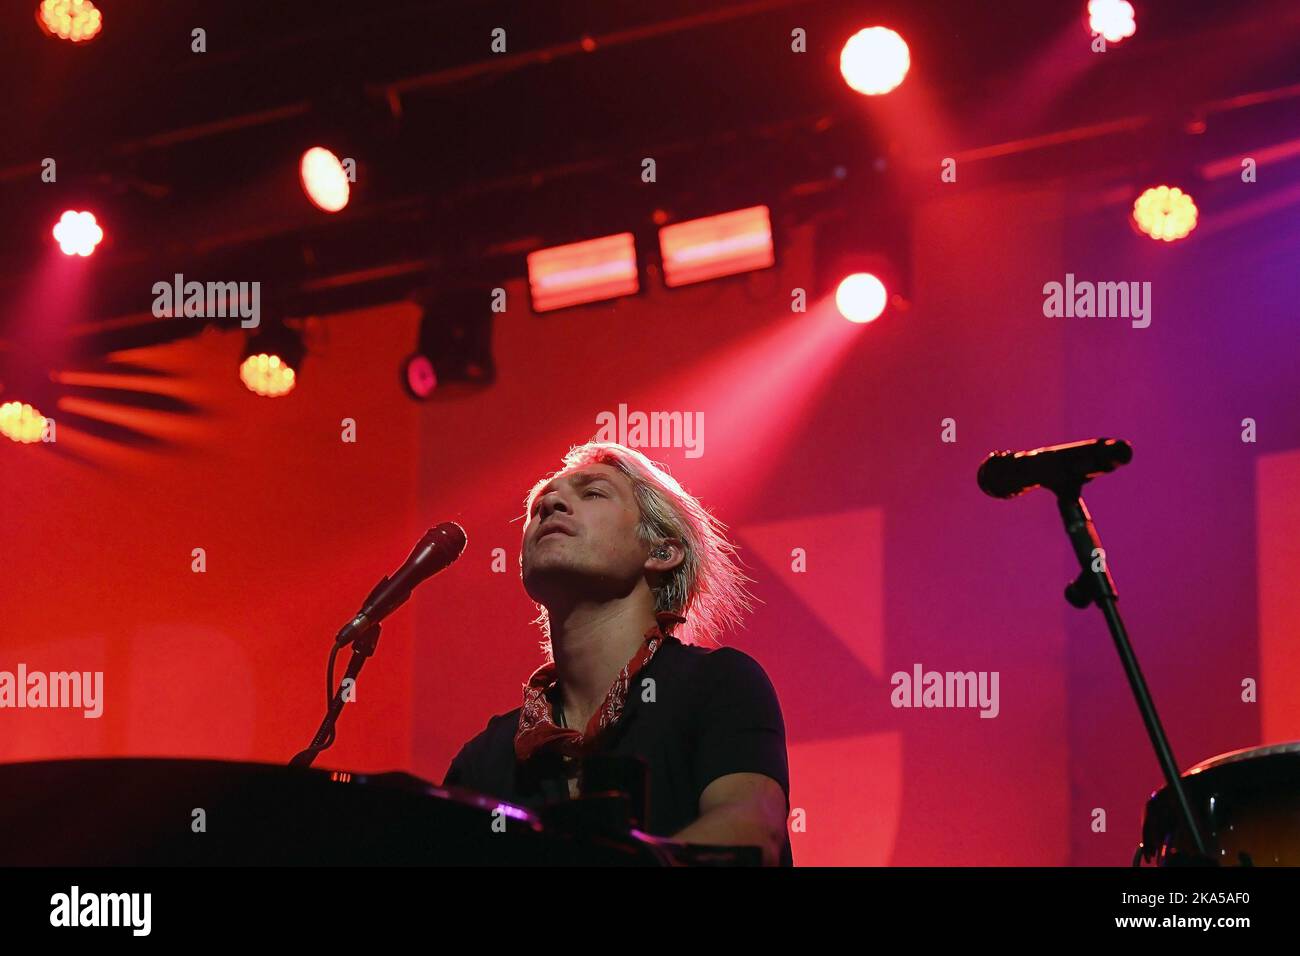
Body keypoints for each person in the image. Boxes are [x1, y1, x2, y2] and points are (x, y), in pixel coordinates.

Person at [443, 440, 792, 865]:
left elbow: (748, 835)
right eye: (539, 507)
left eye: (591, 493)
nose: (550, 504)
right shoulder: (486, 757)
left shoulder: (719, 685)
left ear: (663, 551)